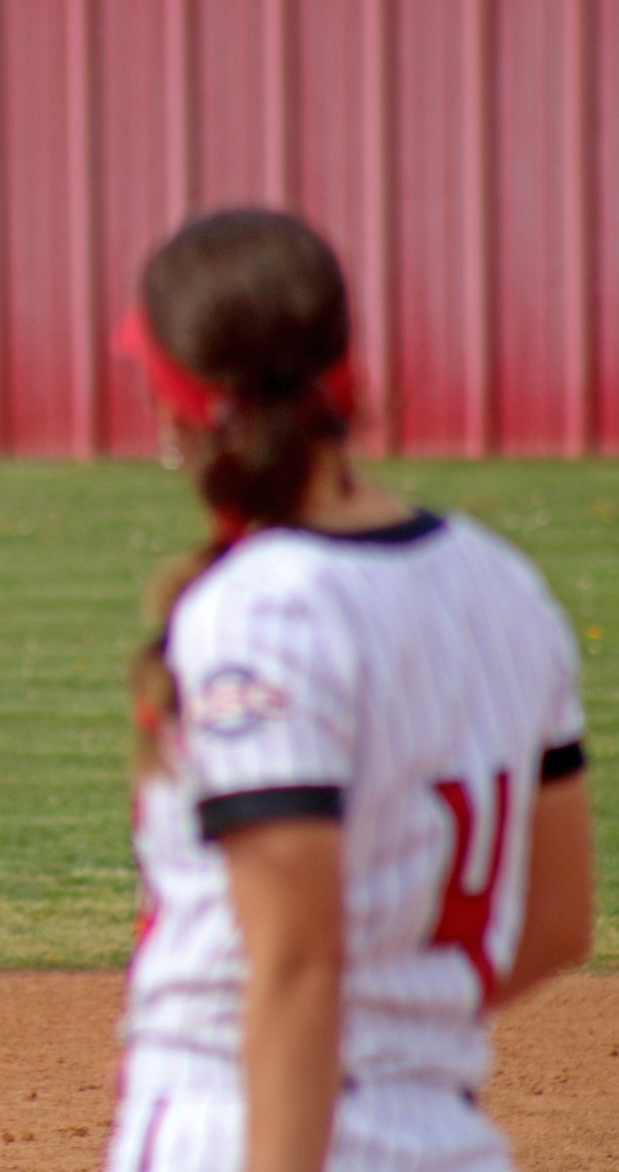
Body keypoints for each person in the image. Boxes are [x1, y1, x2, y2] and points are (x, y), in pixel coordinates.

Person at [107, 208, 594, 1171]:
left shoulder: (259, 613)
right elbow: (557, 922)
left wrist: (334, 1038)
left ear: (174, 405)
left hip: (242, 1124)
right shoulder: (505, 584)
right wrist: (402, 1030)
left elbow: (297, 965)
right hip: (442, 1137)